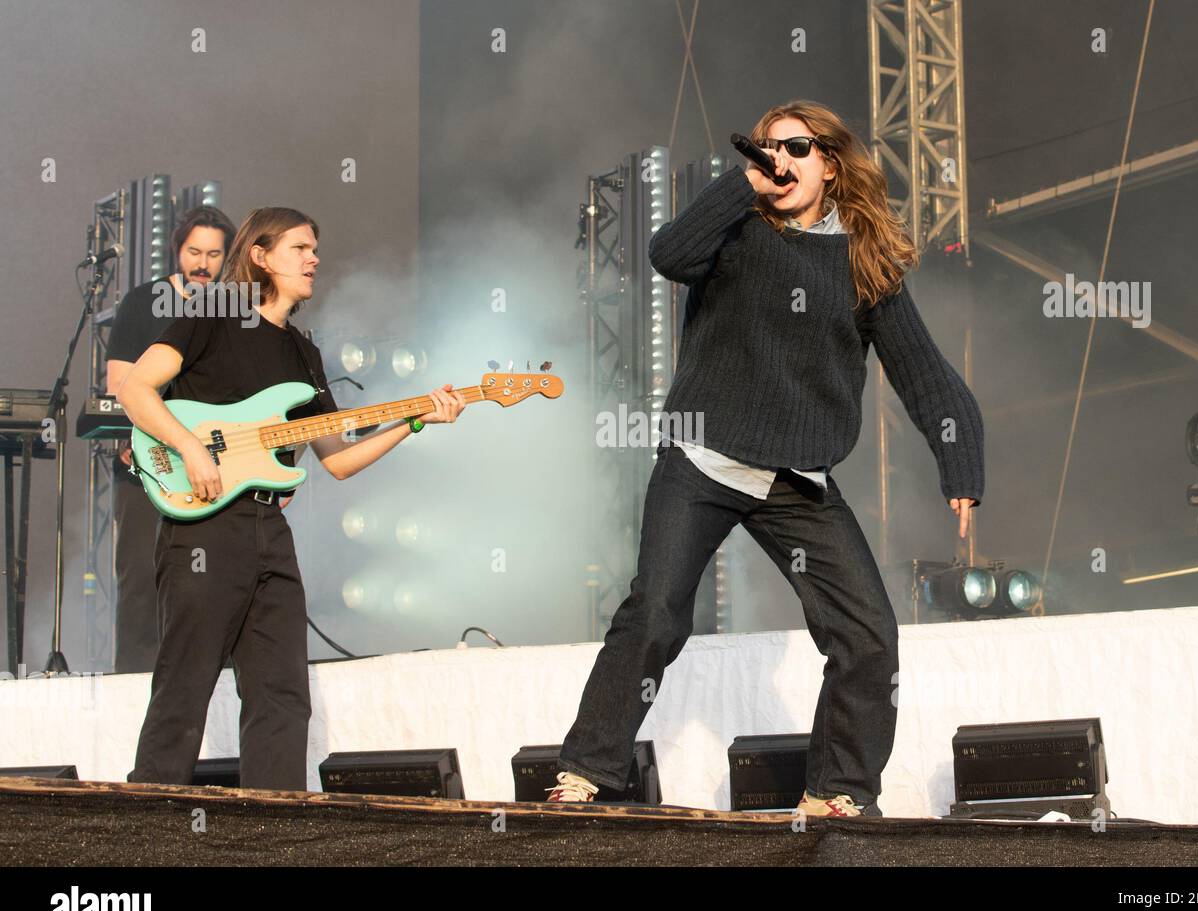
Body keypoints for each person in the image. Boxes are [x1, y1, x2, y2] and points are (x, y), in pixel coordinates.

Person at [548, 101, 985, 817]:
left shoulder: (864, 262)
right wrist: (742, 185)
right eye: (767, 148)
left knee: (868, 635)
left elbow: (924, 373)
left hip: (797, 478)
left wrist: (958, 459)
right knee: (656, 613)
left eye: (797, 148)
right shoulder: (738, 231)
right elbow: (668, 255)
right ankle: (584, 774)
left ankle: (838, 791)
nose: (780, 159)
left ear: (830, 164)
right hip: (704, 459)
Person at [117, 207, 466, 791]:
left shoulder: (304, 354)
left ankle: (273, 824)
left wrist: (413, 419)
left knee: (282, 694)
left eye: (315, 249)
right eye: (300, 248)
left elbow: (338, 460)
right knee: (186, 682)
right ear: (260, 255)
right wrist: (191, 448)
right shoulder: (212, 315)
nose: (314, 259)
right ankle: (146, 818)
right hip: (205, 528)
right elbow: (135, 388)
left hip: (268, 530)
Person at [105, 204, 236, 673]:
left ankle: (214, 684)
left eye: (214, 255)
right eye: (194, 252)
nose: (203, 263)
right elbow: (119, 384)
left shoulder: (234, 310)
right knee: (141, 577)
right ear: (178, 251)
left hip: (218, 464)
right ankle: (134, 684)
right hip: (148, 462)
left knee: (213, 579)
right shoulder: (144, 302)